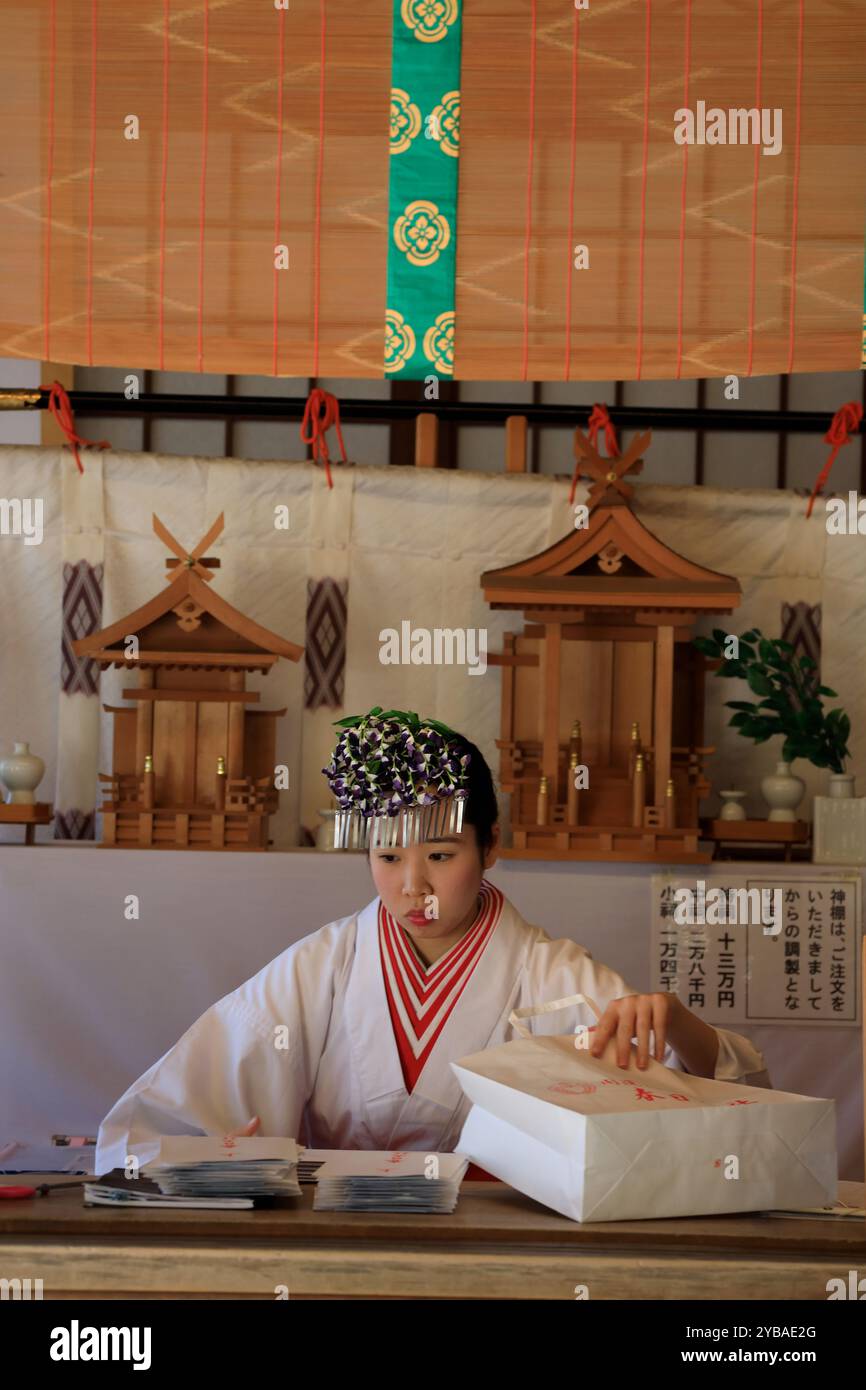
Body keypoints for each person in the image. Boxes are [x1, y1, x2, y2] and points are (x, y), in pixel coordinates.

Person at [95, 707, 770, 1174]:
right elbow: (164, 1126)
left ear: (491, 849)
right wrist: (219, 1158)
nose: (412, 886)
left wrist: (674, 1022)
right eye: (388, 858)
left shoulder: (547, 973)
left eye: (441, 857)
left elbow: (727, 1109)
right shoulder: (322, 966)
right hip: (335, 1245)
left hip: (502, 1251)